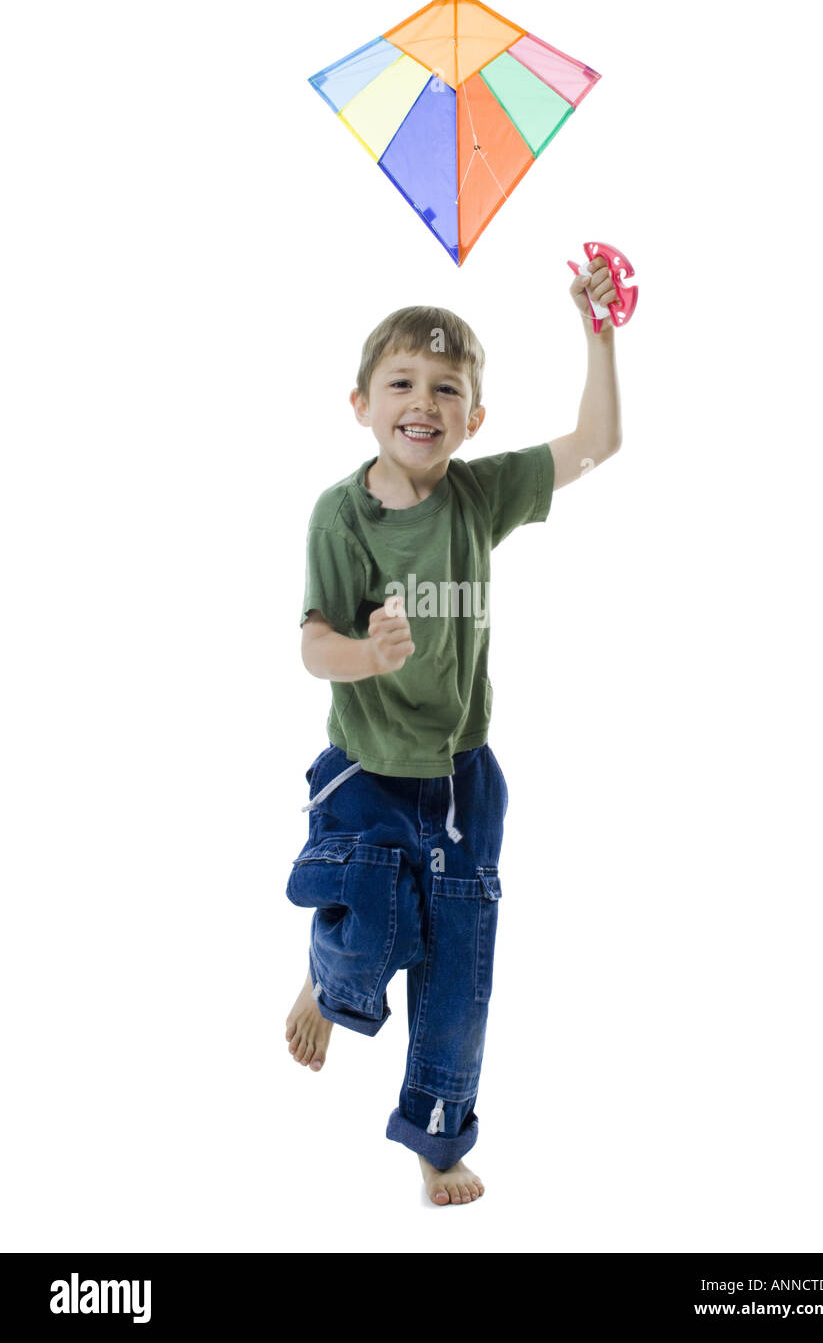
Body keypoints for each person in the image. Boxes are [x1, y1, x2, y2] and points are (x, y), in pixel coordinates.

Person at [285, 259, 622, 1206]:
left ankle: (439, 1137)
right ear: (361, 402)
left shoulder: (478, 494)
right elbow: (313, 643)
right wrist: (365, 655)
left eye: (447, 388)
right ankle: (326, 976)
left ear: (473, 418)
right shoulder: (338, 516)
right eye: (401, 382)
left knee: (457, 970)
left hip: (465, 782)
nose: (422, 401)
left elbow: (598, 443)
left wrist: (597, 329)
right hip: (365, 774)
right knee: (364, 946)